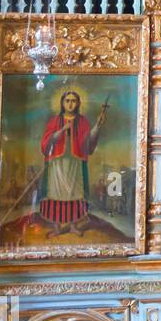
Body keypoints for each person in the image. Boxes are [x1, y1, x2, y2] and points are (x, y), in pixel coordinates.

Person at [38, 90, 106, 236]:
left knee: (74, 193)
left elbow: (88, 143)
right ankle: (57, 228)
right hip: (57, 163)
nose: (70, 103)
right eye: (67, 100)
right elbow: (46, 143)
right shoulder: (55, 121)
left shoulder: (82, 121)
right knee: (56, 194)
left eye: (73, 101)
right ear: (62, 103)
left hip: (75, 163)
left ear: (78, 103)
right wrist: (62, 130)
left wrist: (97, 126)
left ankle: (73, 226)